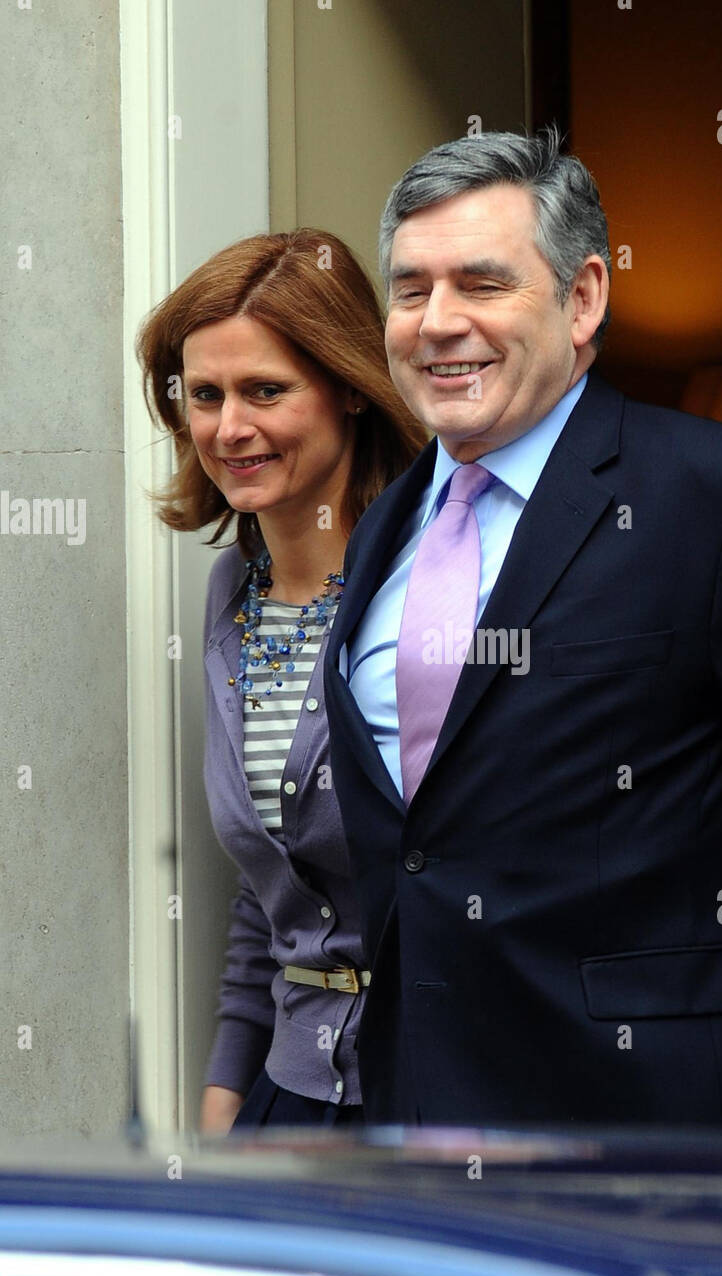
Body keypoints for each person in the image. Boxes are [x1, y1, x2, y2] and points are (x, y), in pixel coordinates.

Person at [323, 130, 722, 1131]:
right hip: (426, 1126)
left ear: (585, 296)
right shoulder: (387, 524)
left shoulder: (713, 497)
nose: (438, 322)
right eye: (411, 287)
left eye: (481, 282)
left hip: (662, 1141)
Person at [137, 229, 425, 1132]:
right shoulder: (232, 598)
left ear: (349, 384)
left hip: (432, 1093)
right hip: (290, 1093)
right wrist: (226, 1108)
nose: (231, 428)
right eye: (207, 395)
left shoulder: (432, 584)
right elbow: (270, 901)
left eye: (266, 390)